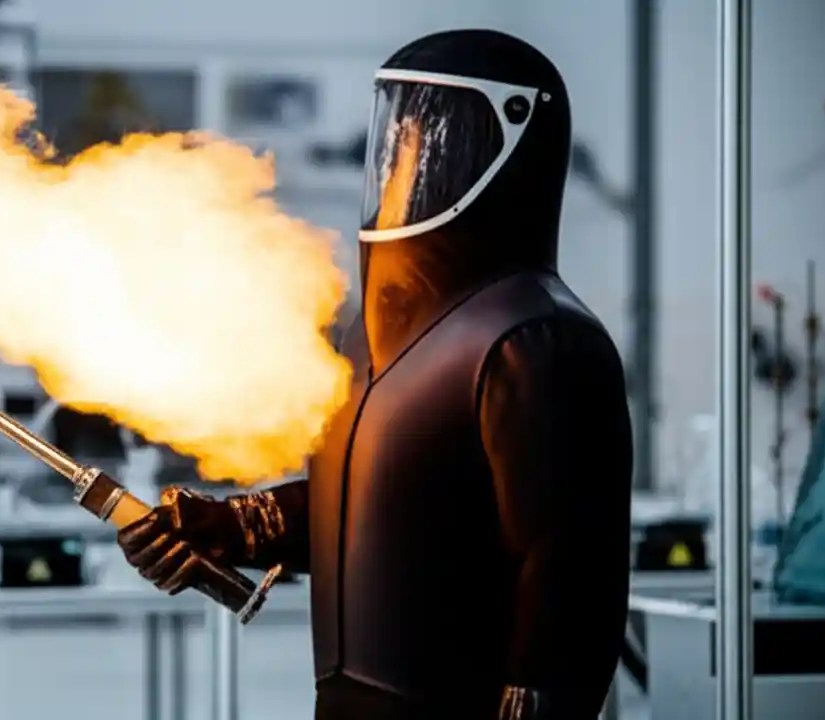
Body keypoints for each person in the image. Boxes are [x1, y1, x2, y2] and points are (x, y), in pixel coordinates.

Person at [118, 29, 633, 720]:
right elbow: (377, 505)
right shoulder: (370, 335)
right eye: (399, 129)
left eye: (432, 134)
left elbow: (569, 575)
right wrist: (234, 525)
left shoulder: (536, 339)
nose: (404, 157)